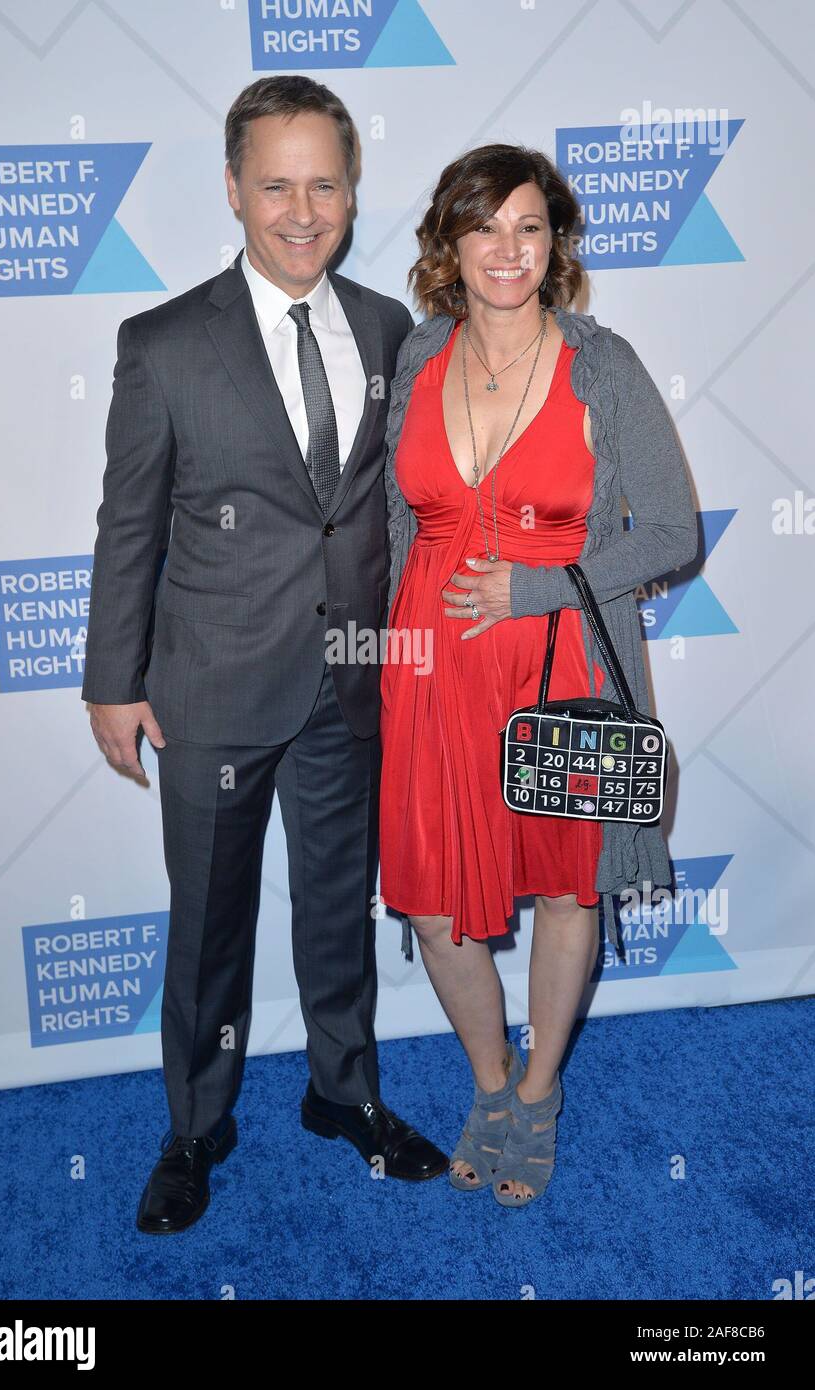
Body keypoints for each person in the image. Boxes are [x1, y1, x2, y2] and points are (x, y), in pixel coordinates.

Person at [81, 75, 447, 1236]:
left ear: (352, 189)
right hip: (211, 688)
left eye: (324, 183)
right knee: (209, 927)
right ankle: (196, 1125)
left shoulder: (392, 328)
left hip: (347, 682)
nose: (302, 210)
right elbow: (128, 525)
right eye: (276, 184)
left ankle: (343, 1094)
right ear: (234, 190)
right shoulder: (164, 342)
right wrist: (110, 681)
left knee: (338, 910)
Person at [379, 144, 698, 1208]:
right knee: (433, 907)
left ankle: (541, 1083)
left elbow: (669, 531)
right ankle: (487, 1085)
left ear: (556, 241)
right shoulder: (418, 358)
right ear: (448, 246)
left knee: (567, 887)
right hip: (431, 673)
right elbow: (387, 530)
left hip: (559, 666)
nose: (505, 249)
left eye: (528, 226)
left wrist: (543, 588)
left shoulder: (600, 364)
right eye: (483, 228)